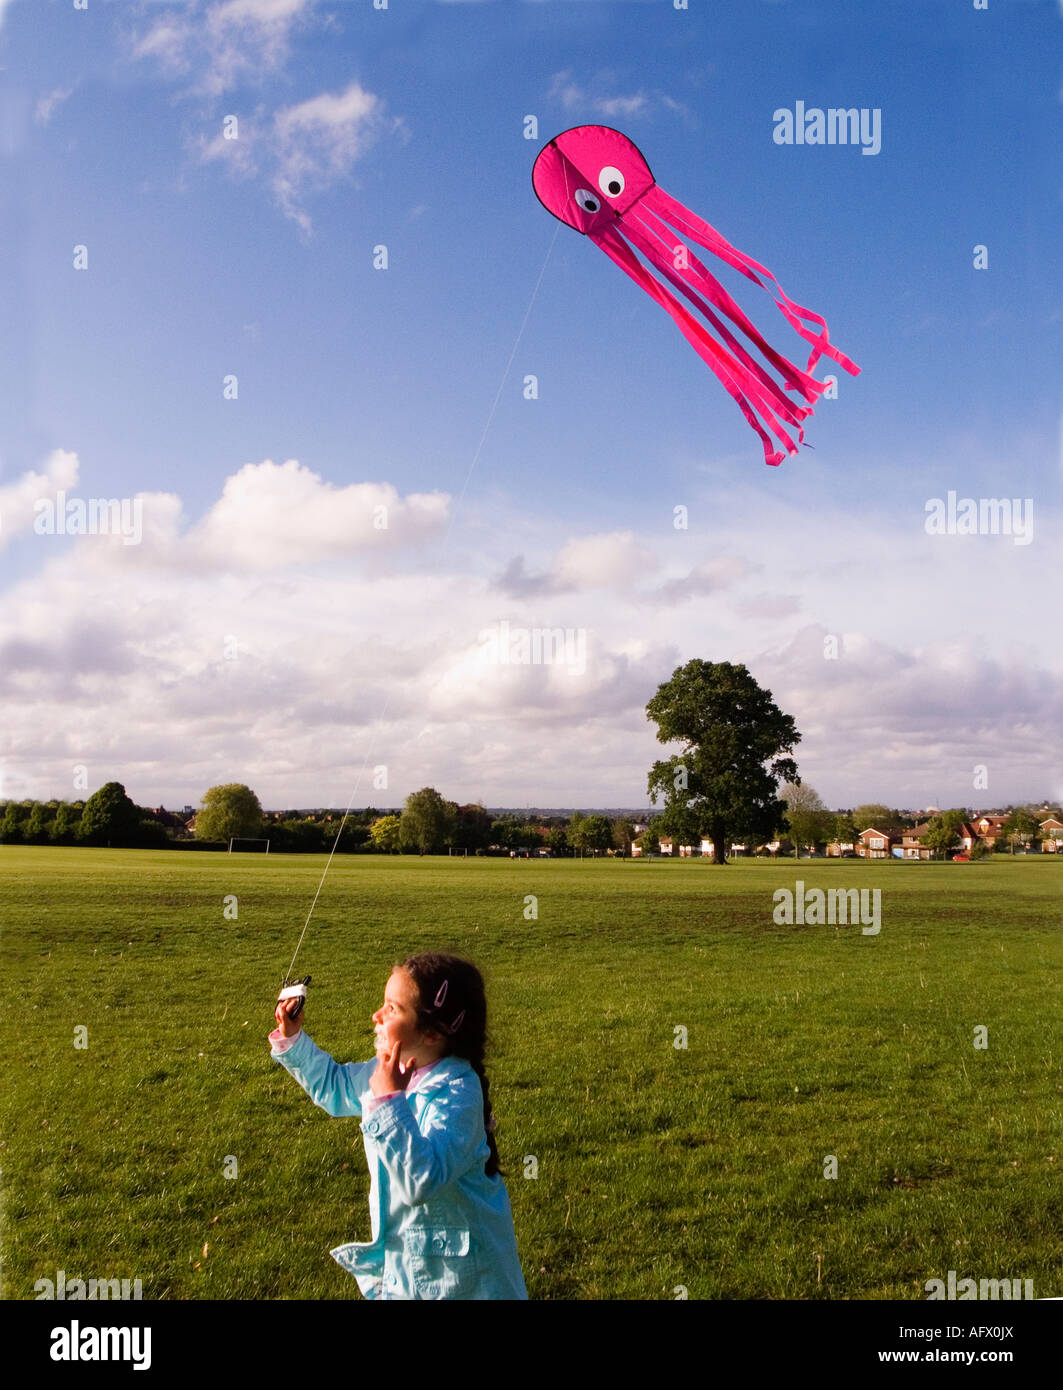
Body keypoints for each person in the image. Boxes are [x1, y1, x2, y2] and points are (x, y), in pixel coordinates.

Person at [270, 950, 528, 1300]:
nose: (376, 1015)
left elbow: (421, 1180)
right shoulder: (393, 1072)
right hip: (408, 1275)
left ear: (433, 1033)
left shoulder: (458, 1093)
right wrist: (294, 1040)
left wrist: (388, 1102)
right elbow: (335, 1087)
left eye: (392, 1008)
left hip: (467, 1284)